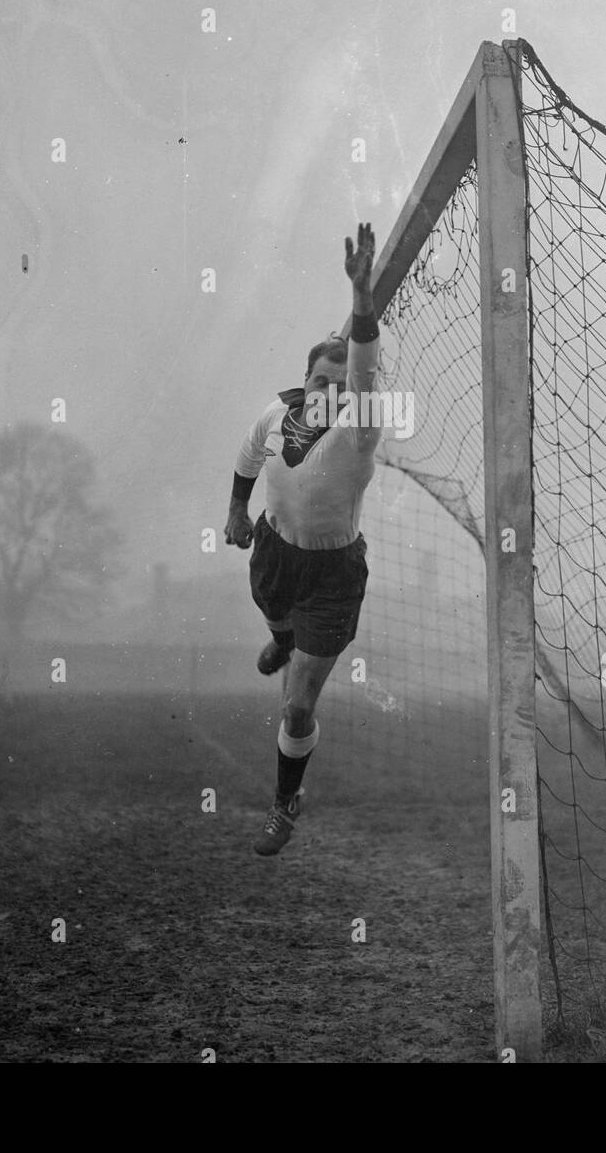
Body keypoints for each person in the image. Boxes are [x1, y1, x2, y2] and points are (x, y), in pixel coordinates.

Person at [224, 224, 382, 855]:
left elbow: (365, 364)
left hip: (333, 575)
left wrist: (362, 292)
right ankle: (281, 635)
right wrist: (236, 510)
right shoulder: (276, 413)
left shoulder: (359, 431)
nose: (332, 393)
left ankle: (285, 801)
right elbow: (245, 457)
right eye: (322, 382)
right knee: (274, 616)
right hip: (273, 553)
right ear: (306, 382)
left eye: (342, 387)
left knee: (295, 709)